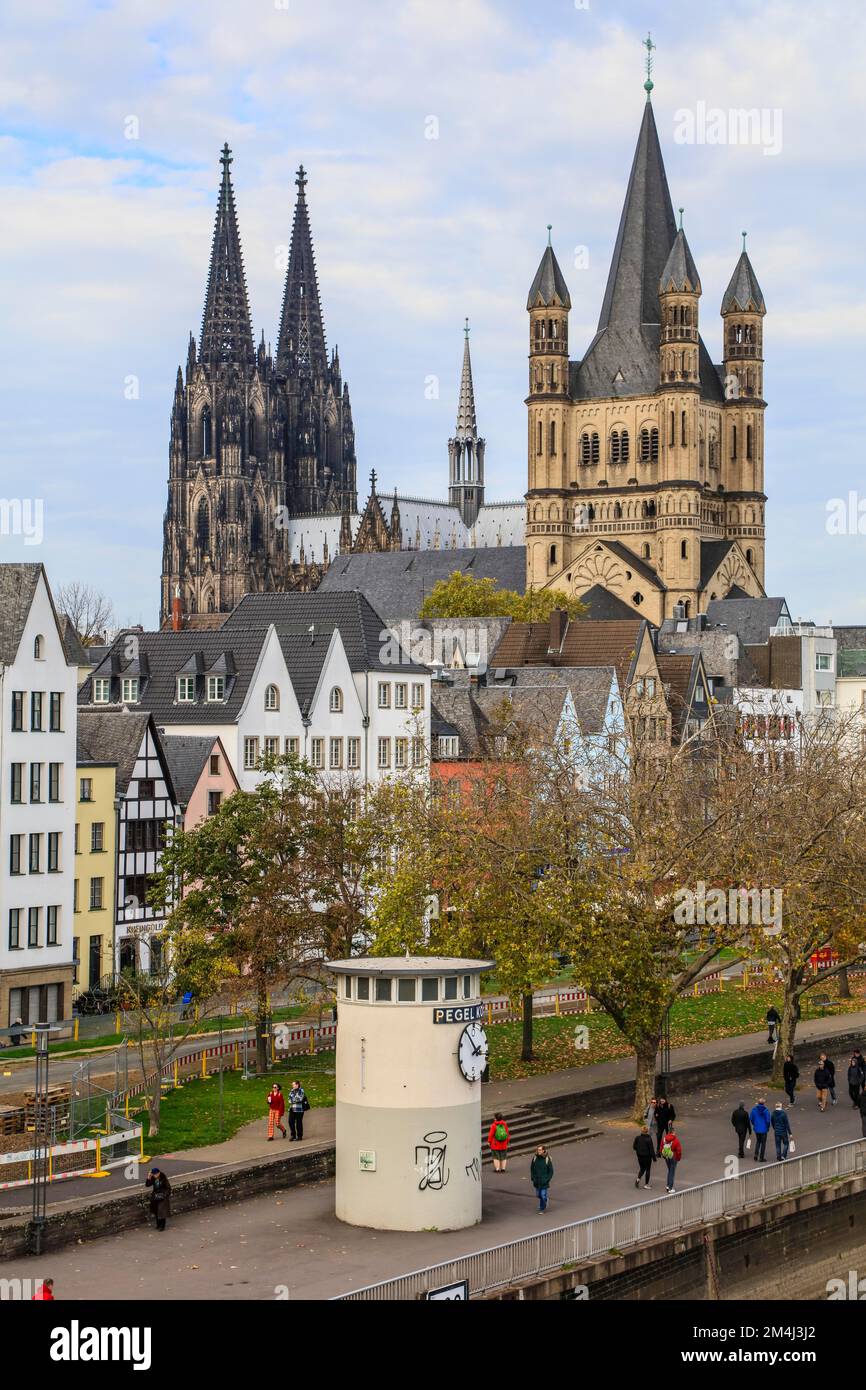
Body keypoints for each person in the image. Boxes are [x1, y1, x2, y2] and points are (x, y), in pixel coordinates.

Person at [145, 1167, 172, 1232]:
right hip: (155, 1197)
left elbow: (168, 1188)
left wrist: (164, 1195)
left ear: (159, 1173)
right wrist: (149, 1177)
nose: (155, 1175)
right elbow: (147, 1185)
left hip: (162, 1198)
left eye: (156, 1174)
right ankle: (158, 1225)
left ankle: (162, 1226)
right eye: (153, 1174)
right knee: (156, 1212)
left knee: (162, 1212)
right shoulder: (153, 1178)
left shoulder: (163, 1178)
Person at [530, 1144, 554, 1213]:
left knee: (542, 1195)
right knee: (538, 1195)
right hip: (537, 1180)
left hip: (544, 1181)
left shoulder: (547, 1159)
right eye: (537, 1150)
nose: (538, 1151)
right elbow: (532, 1168)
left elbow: (551, 1171)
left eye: (540, 1150)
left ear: (543, 1150)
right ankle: (545, 1200)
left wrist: (547, 1179)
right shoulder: (535, 1158)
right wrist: (533, 1177)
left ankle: (542, 1208)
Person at [661, 1126, 682, 1193]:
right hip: (673, 1157)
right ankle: (670, 1188)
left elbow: (661, 1147)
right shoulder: (676, 1140)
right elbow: (679, 1151)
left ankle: (667, 1185)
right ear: (673, 1132)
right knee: (672, 1172)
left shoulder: (664, 1139)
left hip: (667, 1156)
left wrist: (664, 1155)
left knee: (669, 1170)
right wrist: (678, 1158)